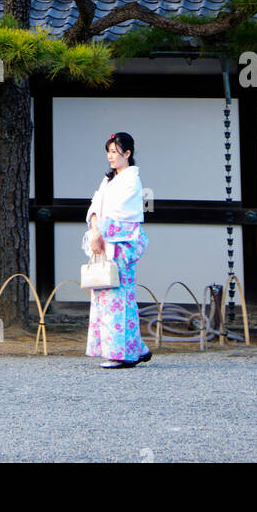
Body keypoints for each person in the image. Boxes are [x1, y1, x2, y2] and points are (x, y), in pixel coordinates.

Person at [82, 130, 151, 369]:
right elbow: (96, 204)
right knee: (106, 297)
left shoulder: (131, 179)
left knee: (119, 298)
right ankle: (137, 347)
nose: (111, 157)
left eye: (115, 152)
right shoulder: (110, 179)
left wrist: (99, 232)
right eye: (109, 152)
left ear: (128, 153)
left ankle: (123, 353)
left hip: (120, 244)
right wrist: (94, 230)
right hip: (105, 242)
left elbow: (120, 212)